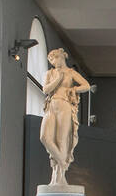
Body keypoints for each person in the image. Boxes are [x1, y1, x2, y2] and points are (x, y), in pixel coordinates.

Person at [39, 48, 92, 186]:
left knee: (61, 140)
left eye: (54, 59)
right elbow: (45, 89)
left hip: (64, 105)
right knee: (45, 137)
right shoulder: (50, 73)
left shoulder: (71, 73)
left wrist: (74, 89)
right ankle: (63, 163)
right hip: (51, 105)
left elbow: (86, 85)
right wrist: (59, 79)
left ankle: (59, 175)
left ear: (61, 58)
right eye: (50, 60)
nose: (53, 62)